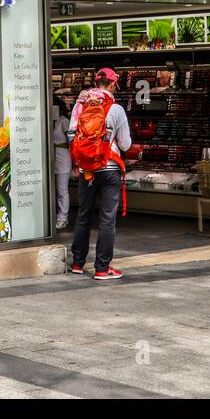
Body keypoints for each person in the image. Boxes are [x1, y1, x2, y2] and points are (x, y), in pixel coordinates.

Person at [68, 67, 133, 281]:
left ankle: (77, 263)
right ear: (113, 85)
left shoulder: (81, 104)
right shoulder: (116, 109)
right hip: (109, 167)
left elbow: (71, 137)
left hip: (87, 169)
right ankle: (102, 268)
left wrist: (78, 163)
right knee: (107, 219)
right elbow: (125, 144)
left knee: (83, 215)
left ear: (96, 83)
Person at [51, 93, 73, 230]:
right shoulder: (47, 120)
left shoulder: (63, 121)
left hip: (62, 157)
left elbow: (71, 142)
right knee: (52, 189)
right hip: (51, 157)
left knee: (61, 189)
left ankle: (63, 217)